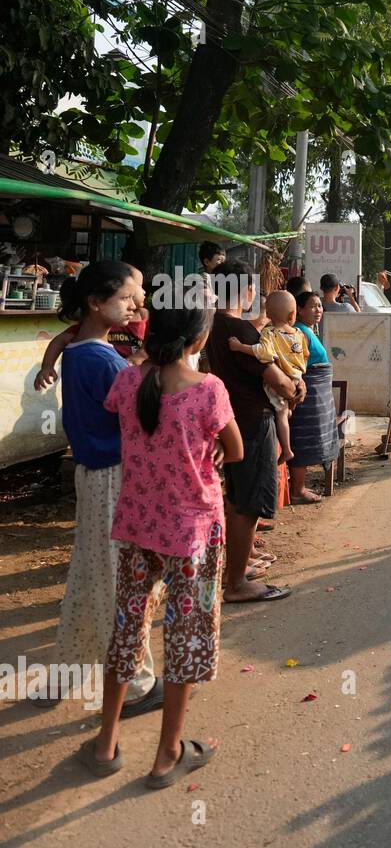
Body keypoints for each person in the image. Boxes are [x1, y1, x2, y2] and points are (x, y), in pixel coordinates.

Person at [85, 295, 242, 788]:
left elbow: (123, 414)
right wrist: (210, 447)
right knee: (186, 634)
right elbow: (234, 450)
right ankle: (168, 753)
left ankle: (106, 743)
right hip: (192, 530)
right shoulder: (207, 389)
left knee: (128, 627)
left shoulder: (128, 381)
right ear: (197, 341)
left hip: (136, 526)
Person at [33, 261, 160, 715]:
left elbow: (69, 337)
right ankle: (136, 683)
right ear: (94, 301)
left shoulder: (85, 350)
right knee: (120, 581)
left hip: (94, 476)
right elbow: (148, 415)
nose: (136, 305)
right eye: (128, 297)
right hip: (114, 479)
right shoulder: (105, 361)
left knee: (91, 576)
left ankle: (67, 670)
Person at [205, 262, 302, 603]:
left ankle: (237, 569)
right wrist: (294, 389)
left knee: (235, 500)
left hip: (229, 419)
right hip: (252, 421)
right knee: (247, 505)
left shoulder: (212, 327)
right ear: (246, 291)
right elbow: (277, 379)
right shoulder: (241, 332)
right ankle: (236, 584)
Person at [226, 291, 309, 464]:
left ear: (268, 314)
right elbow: (305, 355)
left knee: (280, 414)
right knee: (286, 410)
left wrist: (240, 347)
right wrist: (298, 375)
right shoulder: (299, 334)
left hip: (281, 381)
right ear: (293, 314)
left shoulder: (269, 333)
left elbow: (264, 353)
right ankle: (289, 409)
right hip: (295, 375)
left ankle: (287, 450)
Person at [33, 267, 148, 391]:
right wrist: (47, 367)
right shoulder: (110, 363)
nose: (132, 305)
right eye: (125, 298)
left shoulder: (76, 352)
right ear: (94, 302)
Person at [286, 290, 339, 504]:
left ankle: (299, 487)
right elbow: (296, 367)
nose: (318, 310)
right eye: (312, 306)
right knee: (303, 440)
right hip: (308, 398)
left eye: (319, 306)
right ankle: (297, 490)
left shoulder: (307, 330)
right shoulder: (300, 332)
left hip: (317, 396)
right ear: (299, 310)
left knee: (309, 439)